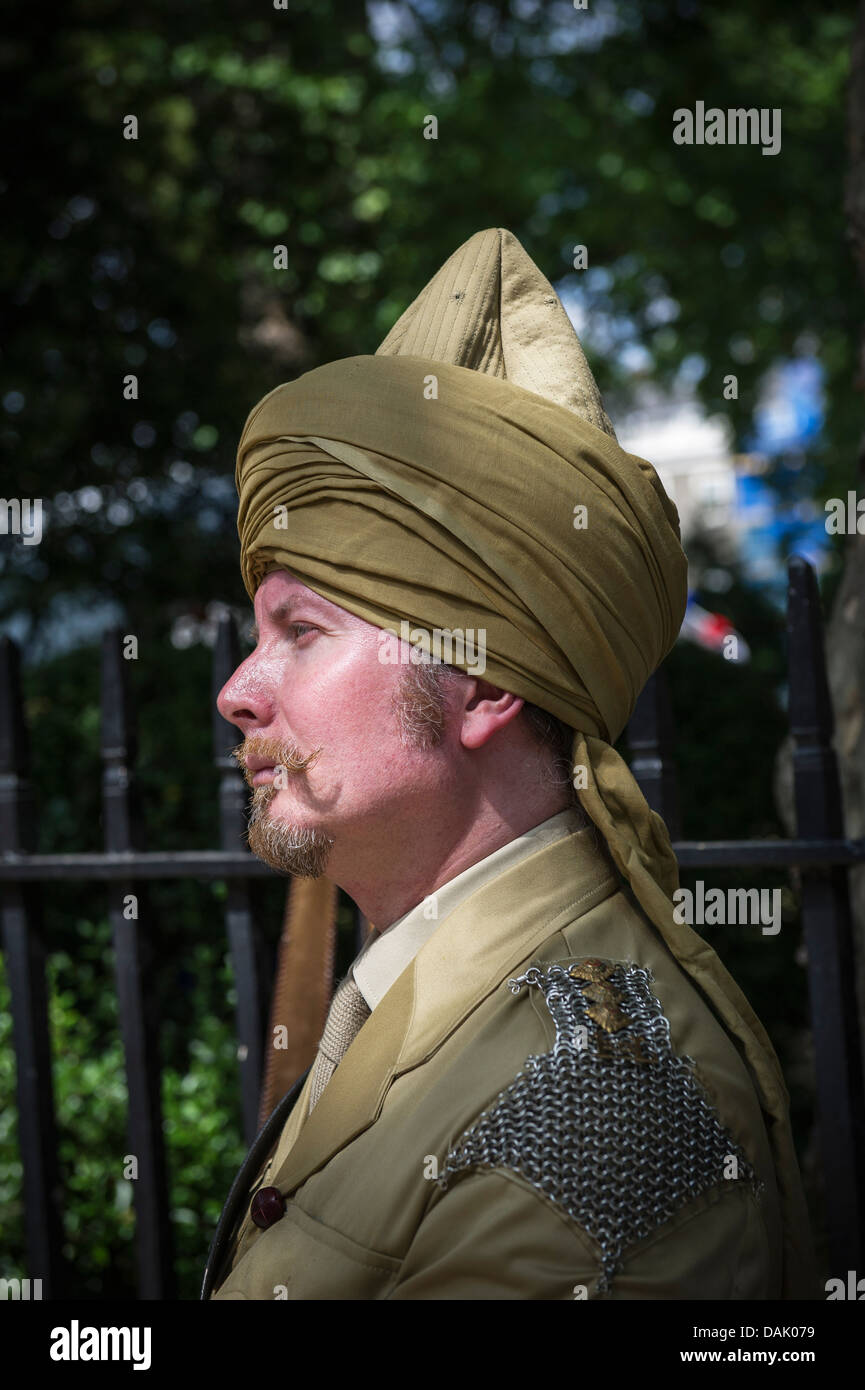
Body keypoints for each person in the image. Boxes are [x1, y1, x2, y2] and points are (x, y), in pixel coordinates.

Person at [203, 227, 817, 1300]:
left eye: (302, 631)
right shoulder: (425, 999)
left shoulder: (592, 1108)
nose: (237, 691)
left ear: (485, 683)